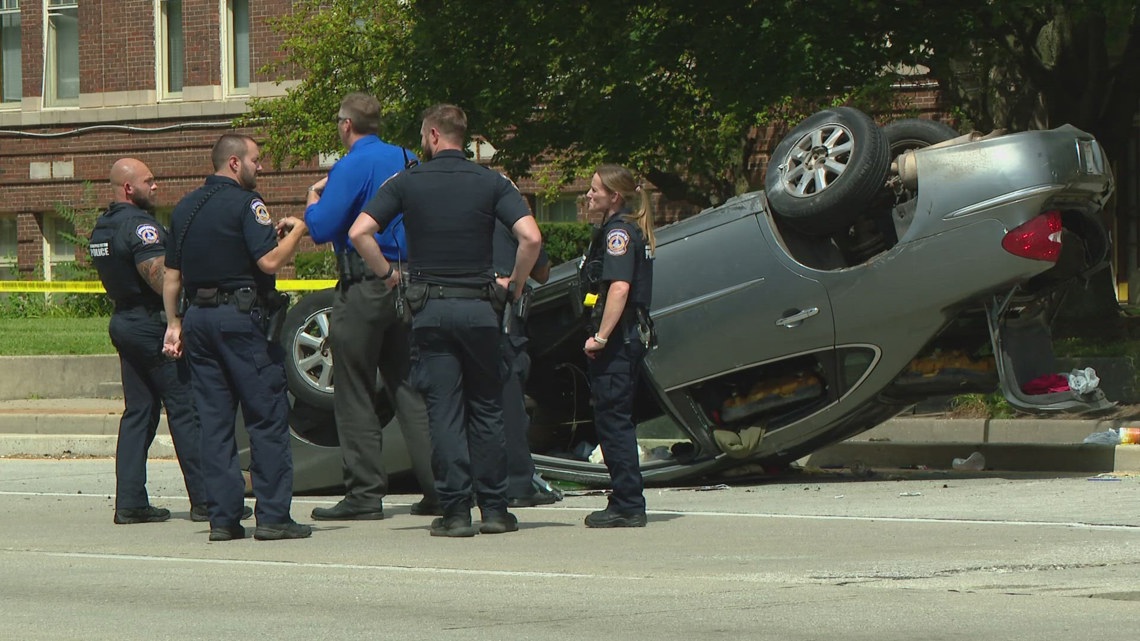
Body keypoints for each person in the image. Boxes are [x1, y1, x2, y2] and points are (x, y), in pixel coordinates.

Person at [349, 104, 541, 537]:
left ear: (433, 136)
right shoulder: (492, 182)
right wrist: (513, 284)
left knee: (445, 411)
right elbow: (531, 237)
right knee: (487, 407)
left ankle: (456, 511)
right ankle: (494, 509)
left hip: (430, 308)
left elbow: (359, 232)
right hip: (480, 308)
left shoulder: (408, 181)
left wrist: (387, 275)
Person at [162, 134, 311, 542]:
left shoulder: (185, 208)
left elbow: (171, 277)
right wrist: (299, 230)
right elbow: (269, 260)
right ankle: (274, 517)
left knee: (214, 422)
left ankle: (224, 519)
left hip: (199, 321)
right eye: (255, 160)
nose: (259, 167)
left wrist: (174, 322)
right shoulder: (250, 204)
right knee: (266, 416)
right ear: (233, 163)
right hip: (241, 321)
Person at [304, 93, 439, 521]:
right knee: (409, 388)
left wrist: (312, 197)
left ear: (347, 126)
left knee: (355, 389)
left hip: (365, 283)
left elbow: (322, 227)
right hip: (408, 280)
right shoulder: (408, 157)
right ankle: (440, 488)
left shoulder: (350, 165)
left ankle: (364, 494)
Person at [90, 158, 217, 525]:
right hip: (152, 325)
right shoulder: (140, 227)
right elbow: (162, 281)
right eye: (149, 180)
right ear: (129, 187)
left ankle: (130, 501)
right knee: (185, 409)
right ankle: (207, 500)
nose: (156, 185)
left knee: (139, 413)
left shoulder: (103, 227)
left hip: (125, 322)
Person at [580, 164, 656, 528]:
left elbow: (619, 288)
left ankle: (627, 503)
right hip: (622, 339)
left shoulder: (619, 234)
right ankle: (625, 499)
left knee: (614, 423)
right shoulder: (617, 230)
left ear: (615, 196)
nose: (589, 194)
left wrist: (602, 336)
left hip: (617, 341)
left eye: (595, 190)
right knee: (614, 420)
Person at [491, 220, 560, 508]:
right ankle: (518, 482)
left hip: (448, 307)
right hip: (501, 312)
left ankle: (460, 484)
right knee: (508, 397)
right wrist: (517, 283)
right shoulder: (505, 202)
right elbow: (542, 270)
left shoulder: (438, 196)